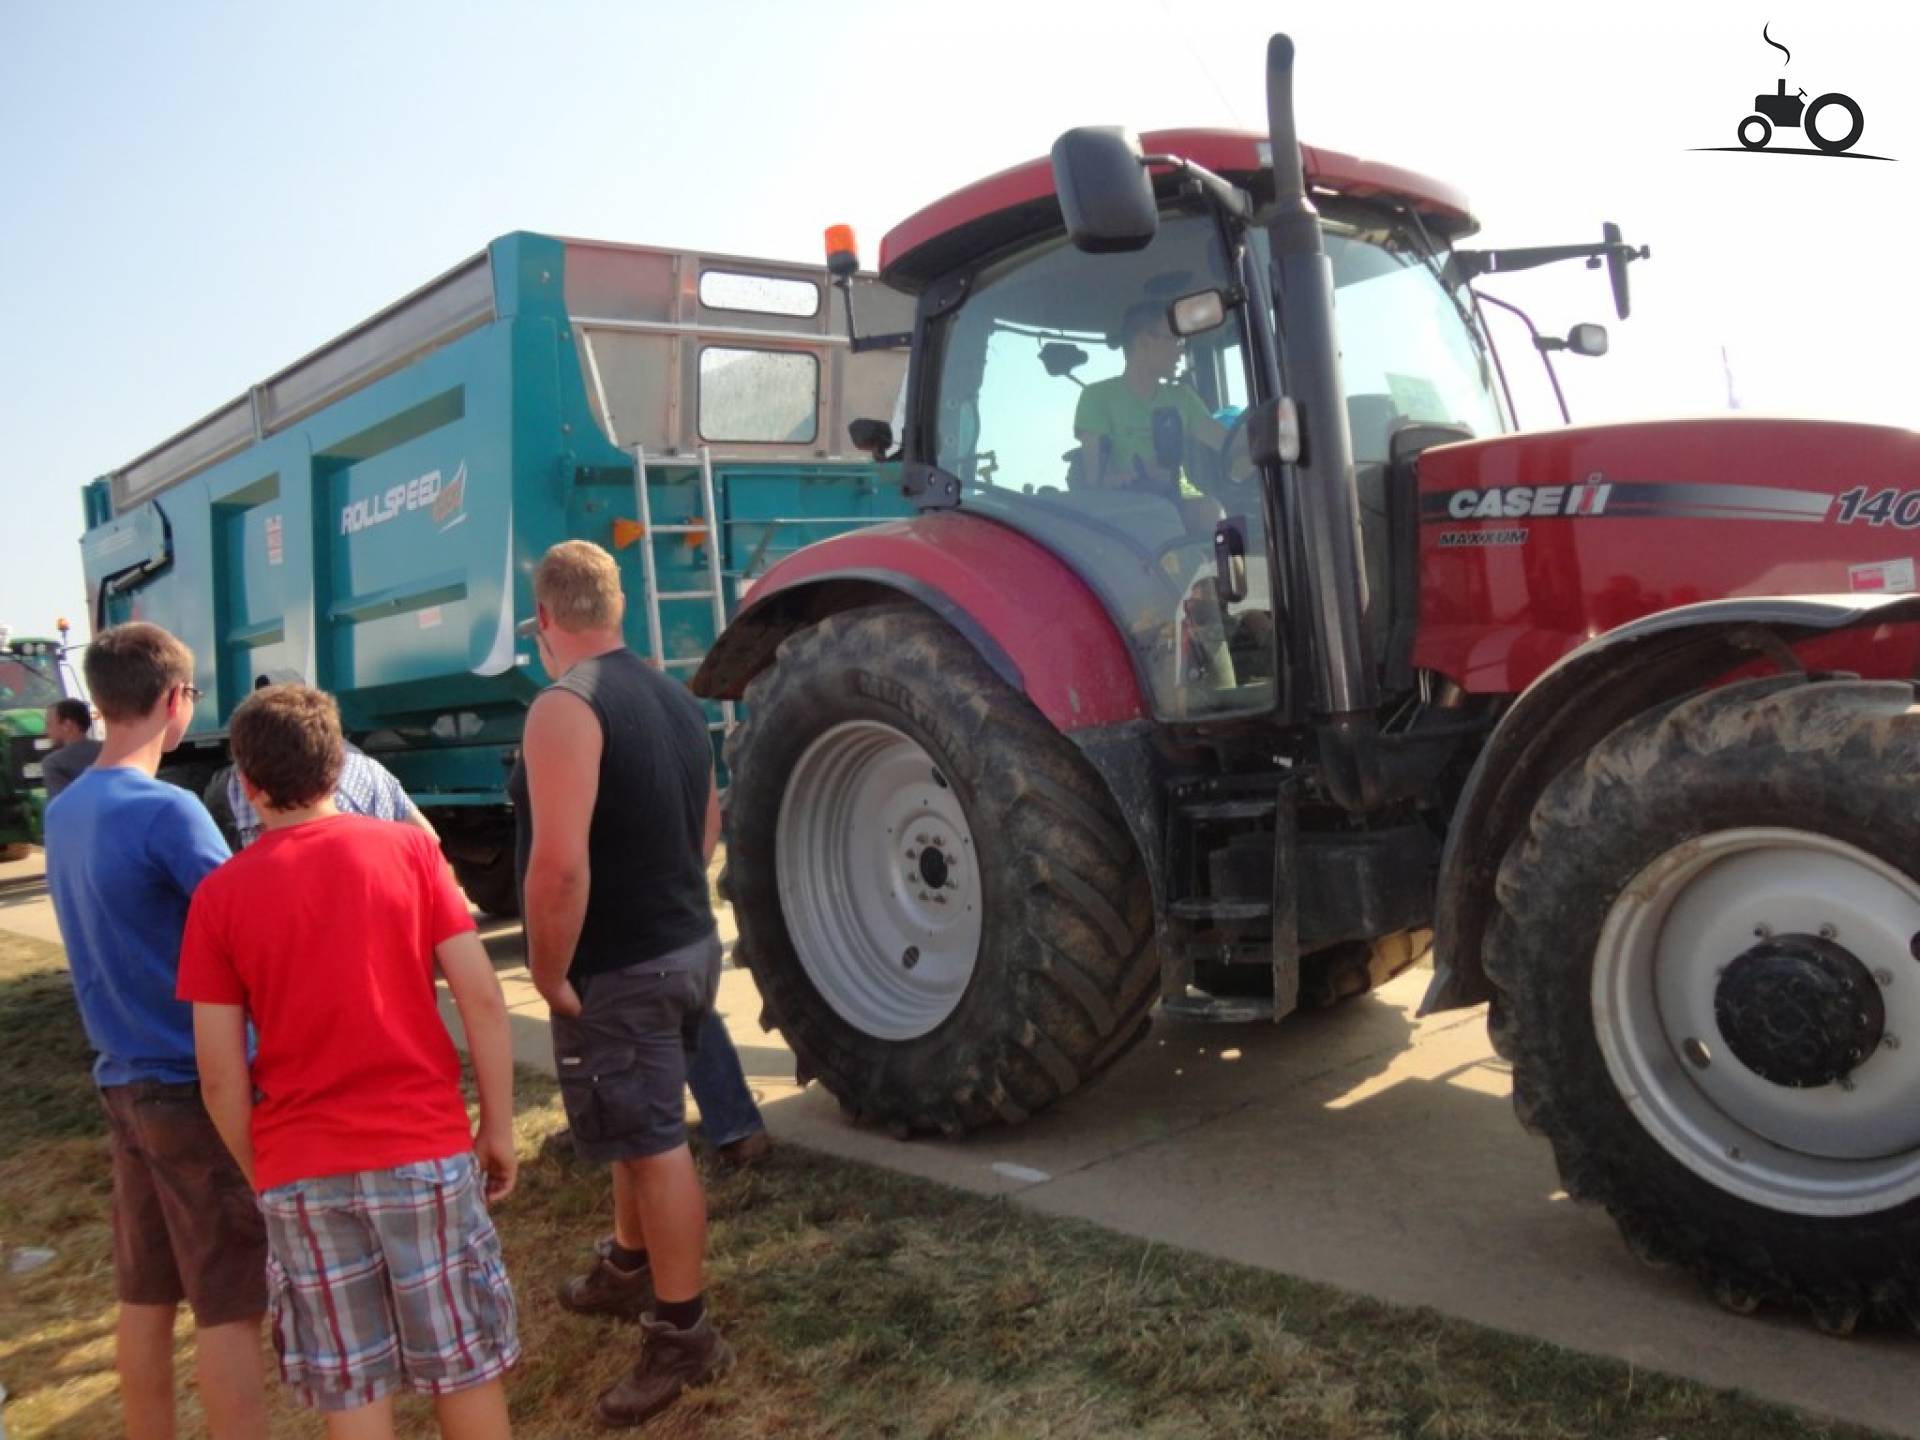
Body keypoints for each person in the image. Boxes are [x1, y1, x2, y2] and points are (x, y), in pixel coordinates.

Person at [179, 684, 521, 1438]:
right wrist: (496, 1125)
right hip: (423, 1150)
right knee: (462, 1365)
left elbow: (218, 1074)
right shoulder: (410, 852)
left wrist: (264, 1164)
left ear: (246, 785)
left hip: (301, 1170)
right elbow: (483, 1000)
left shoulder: (218, 899)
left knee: (352, 1387)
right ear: (341, 767)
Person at [514, 539, 733, 1427]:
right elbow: (708, 825)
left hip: (626, 965)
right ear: (617, 612)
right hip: (687, 945)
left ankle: (684, 1334)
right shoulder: (675, 698)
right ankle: (627, 1263)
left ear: (544, 622)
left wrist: (547, 968)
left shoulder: (563, 707)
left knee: (651, 1141)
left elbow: (557, 868)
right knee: (636, 1120)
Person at [41, 622, 268, 1440]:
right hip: (194, 1088)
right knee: (230, 1304)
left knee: (144, 1296)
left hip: (122, 1085)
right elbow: (248, 928)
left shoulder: (64, 814)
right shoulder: (168, 811)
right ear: (176, 701)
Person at [1074, 299, 1233, 501]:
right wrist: (1136, 475)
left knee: (1209, 509)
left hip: (1176, 503)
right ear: (1143, 342)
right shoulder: (1096, 397)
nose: (1181, 351)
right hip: (1125, 512)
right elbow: (1095, 482)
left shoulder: (1182, 397)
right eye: (1175, 340)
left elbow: (1228, 443)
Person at [40, 696, 101, 799]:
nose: (45, 731)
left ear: (67, 725)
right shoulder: (109, 750)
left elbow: (60, 808)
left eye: (49, 724)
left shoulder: (54, 763)